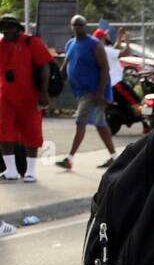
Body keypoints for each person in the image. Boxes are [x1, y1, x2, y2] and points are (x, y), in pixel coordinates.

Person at [55, 14, 115, 171]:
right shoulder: (71, 43)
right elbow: (67, 65)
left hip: (93, 92)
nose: (77, 28)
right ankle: (114, 157)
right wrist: (58, 77)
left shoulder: (94, 44)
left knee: (80, 122)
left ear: (85, 26)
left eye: (80, 25)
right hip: (80, 91)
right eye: (74, 25)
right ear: (71, 26)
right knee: (101, 124)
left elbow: (104, 68)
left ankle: (69, 158)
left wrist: (101, 92)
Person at [0, 13, 52, 183]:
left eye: (8, 27)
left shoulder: (31, 42)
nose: (5, 31)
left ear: (17, 28)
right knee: (4, 132)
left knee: (32, 133)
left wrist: (44, 92)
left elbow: (45, 67)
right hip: (6, 97)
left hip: (30, 98)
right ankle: (11, 170)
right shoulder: (2, 45)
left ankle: (30, 171)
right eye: (3, 28)